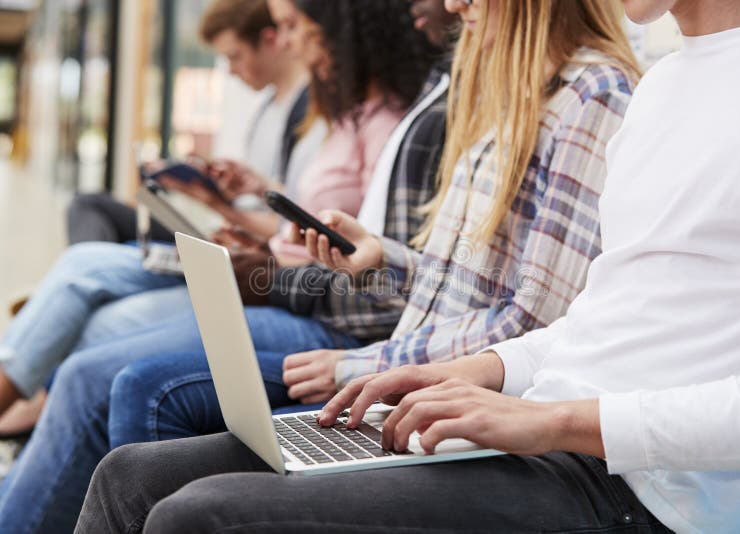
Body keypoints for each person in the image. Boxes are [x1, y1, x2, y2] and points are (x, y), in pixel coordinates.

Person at [79, 0, 740, 533]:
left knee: (202, 517)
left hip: (645, 495)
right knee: (131, 478)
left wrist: (550, 421)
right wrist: (477, 371)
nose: (454, 7)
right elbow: (604, 318)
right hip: (549, 430)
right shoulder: (669, 85)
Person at [0, 1, 438, 532]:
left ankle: (26, 421)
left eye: (296, 27)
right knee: (87, 272)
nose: (289, 38)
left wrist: (268, 270)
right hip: (281, 275)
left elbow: (368, 269)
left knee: (98, 325)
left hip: (296, 291)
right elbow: (334, 241)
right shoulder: (344, 114)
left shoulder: (385, 121)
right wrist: (244, 214)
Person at [66, 0, 310, 246]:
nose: (232, 71)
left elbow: (288, 225)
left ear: (270, 41)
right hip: (225, 228)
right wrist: (207, 183)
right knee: (88, 207)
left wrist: (217, 206)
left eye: (235, 57)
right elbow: (255, 193)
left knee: (90, 222)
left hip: (245, 247)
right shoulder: (266, 108)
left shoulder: (305, 115)